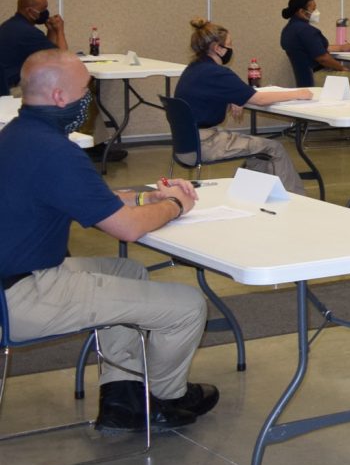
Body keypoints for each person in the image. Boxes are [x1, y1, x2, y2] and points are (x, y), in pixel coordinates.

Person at [0, 49, 219, 432]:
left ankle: (122, 394)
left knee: (126, 270)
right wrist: (174, 205)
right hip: (20, 295)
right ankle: (165, 398)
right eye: (86, 90)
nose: (90, 100)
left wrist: (143, 198)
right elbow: (128, 229)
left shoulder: (17, 136)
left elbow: (83, 198)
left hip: (16, 277)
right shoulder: (56, 151)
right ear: (58, 97)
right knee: (187, 306)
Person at [174, 18, 313, 193]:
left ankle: (252, 194)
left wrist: (234, 97)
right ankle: (296, 201)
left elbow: (215, 94)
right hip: (205, 143)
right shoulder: (217, 73)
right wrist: (298, 93)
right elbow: (259, 99)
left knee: (259, 148)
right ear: (218, 48)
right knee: (273, 148)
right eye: (229, 45)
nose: (232, 49)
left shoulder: (194, 69)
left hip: (186, 143)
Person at [0, 0, 121, 162]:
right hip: (17, 91)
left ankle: (97, 143)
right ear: (29, 11)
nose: (46, 13)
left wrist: (51, 31)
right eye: (43, 9)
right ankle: (94, 145)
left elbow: (46, 54)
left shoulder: (12, 27)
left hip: (10, 86)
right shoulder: (28, 33)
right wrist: (60, 30)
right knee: (81, 90)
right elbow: (63, 61)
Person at [279, 0, 350, 144]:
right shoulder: (306, 30)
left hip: (306, 77)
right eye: (313, 9)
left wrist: (341, 47)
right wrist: (342, 69)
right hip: (319, 77)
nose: (316, 12)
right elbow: (322, 57)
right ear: (301, 11)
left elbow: (319, 48)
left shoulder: (290, 29)